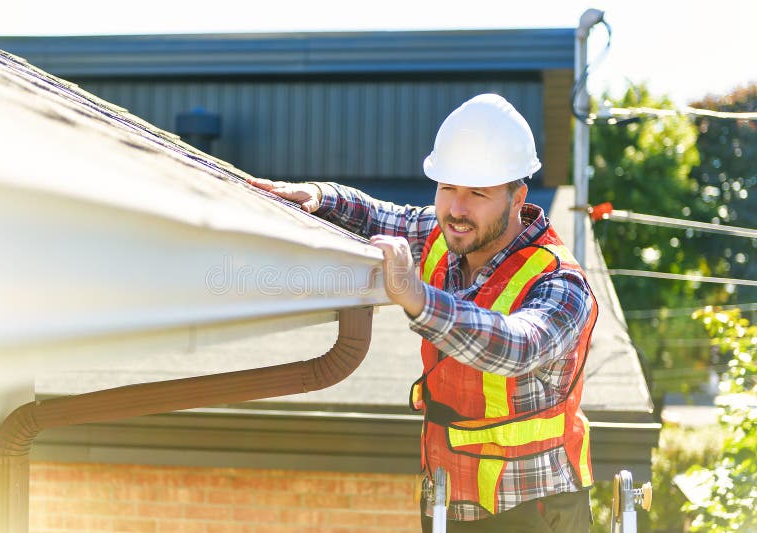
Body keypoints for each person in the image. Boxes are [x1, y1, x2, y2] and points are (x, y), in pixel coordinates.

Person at [247, 93, 597, 532]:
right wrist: (320, 196)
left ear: (517, 195)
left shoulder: (561, 283)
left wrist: (415, 297)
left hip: (532, 510)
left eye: (478, 193)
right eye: (447, 187)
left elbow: (517, 347)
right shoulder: (443, 235)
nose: (455, 208)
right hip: (447, 501)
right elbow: (378, 215)